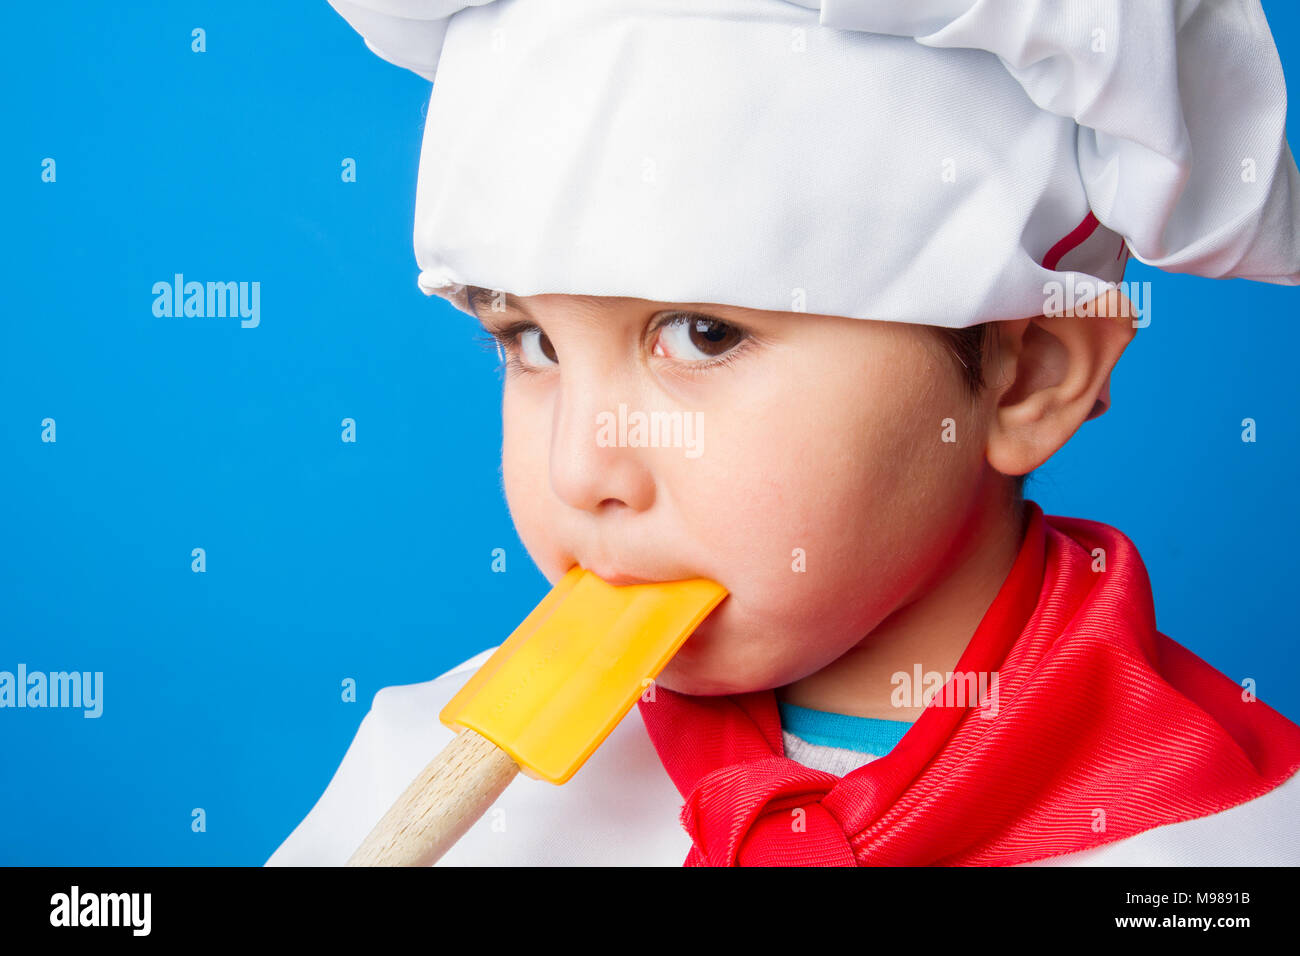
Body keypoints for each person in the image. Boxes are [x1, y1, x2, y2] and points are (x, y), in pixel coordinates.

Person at [268, 0, 1300, 866]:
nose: (579, 468)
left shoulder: (1235, 842)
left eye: (701, 333)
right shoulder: (415, 771)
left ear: (1025, 376)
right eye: (529, 339)